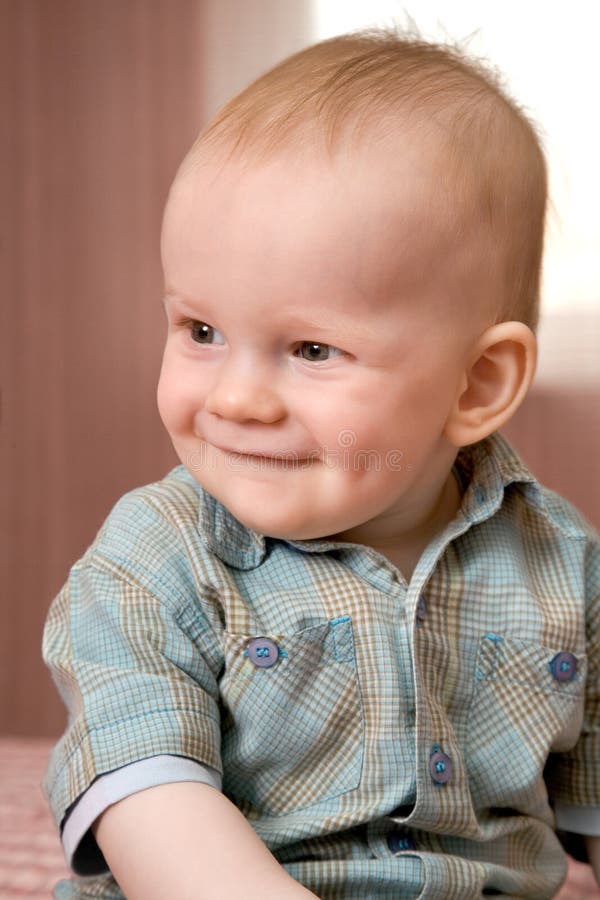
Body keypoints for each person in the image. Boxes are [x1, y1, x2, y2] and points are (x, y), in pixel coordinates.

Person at [42, 28, 600, 900]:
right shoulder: (154, 564)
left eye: (310, 348)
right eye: (201, 331)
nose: (236, 399)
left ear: (477, 383)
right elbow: (152, 806)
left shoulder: (563, 567)